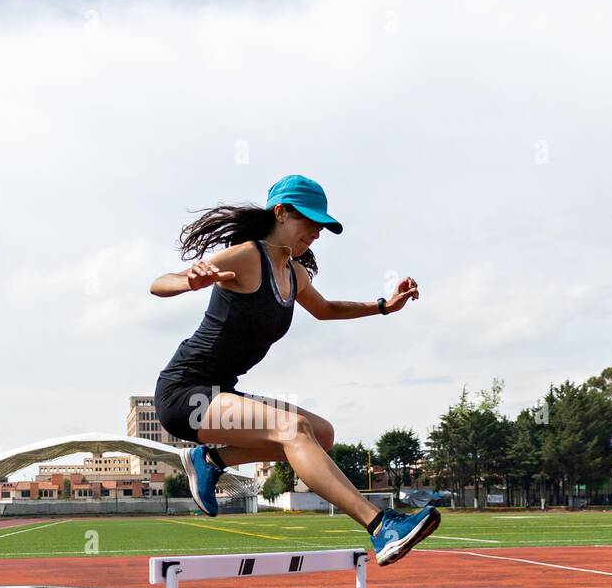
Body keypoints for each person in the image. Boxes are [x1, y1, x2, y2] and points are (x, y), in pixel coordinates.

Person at [150, 174, 440, 565]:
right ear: (281, 212)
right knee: (294, 430)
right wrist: (191, 281)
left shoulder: (294, 272)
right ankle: (381, 526)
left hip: (222, 391)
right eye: (310, 222)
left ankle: (210, 461)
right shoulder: (247, 256)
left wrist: (384, 306)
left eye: (321, 226)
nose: (316, 233)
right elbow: (160, 283)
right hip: (185, 393)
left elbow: (326, 310)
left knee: (321, 433)